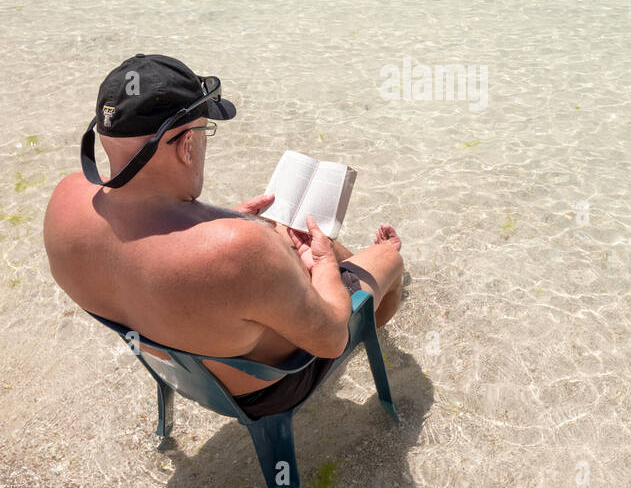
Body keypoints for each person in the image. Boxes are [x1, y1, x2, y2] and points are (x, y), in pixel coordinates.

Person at [43, 54, 404, 417]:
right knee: (387, 258)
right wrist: (323, 263)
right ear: (186, 145)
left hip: (181, 371)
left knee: (281, 230)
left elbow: (156, 259)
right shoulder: (240, 249)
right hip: (266, 387)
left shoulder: (65, 201)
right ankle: (372, 321)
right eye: (204, 133)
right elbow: (330, 340)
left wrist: (224, 226)